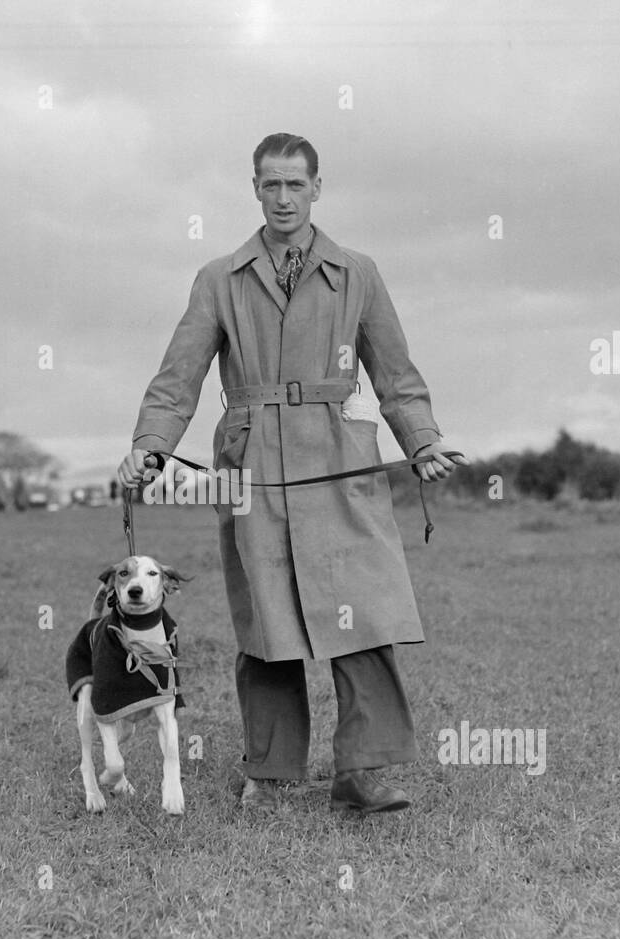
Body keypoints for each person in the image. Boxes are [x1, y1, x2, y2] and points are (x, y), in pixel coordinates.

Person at [118, 133, 469, 815]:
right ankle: (271, 774)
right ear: (255, 188)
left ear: (317, 188)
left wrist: (422, 443)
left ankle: (365, 772)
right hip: (252, 468)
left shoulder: (358, 272)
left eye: (295, 185)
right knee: (268, 623)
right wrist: (150, 446)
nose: (283, 198)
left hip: (341, 463)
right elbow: (177, 378)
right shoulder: (218, 279)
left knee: (364, 616)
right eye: (270, 185)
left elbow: (396, 375)